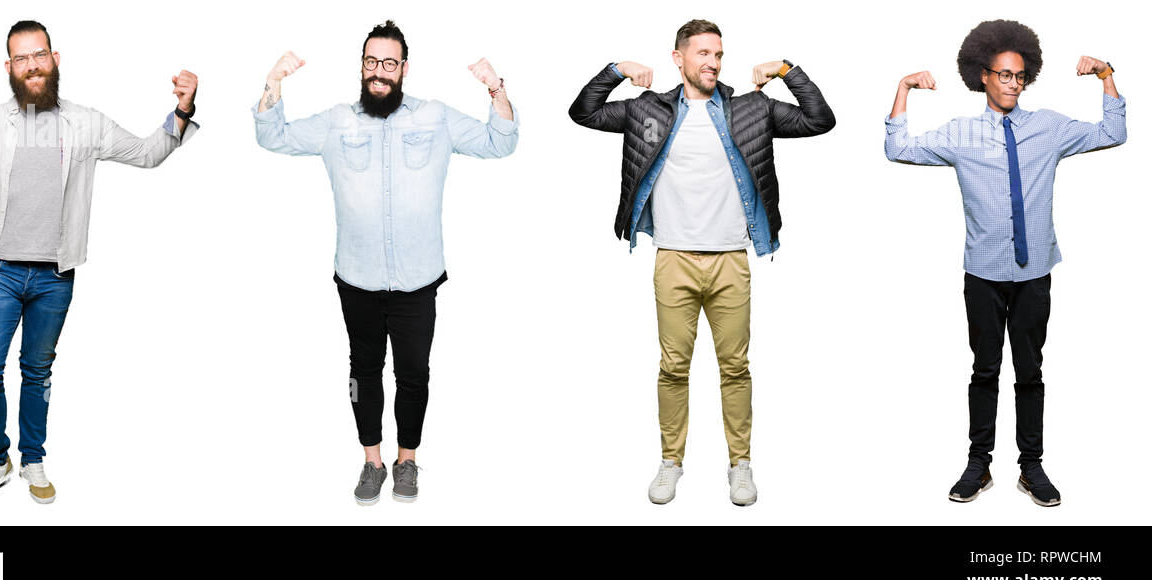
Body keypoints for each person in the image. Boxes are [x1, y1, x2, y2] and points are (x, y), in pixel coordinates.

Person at [0, 20, 200, 506]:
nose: (33, 65)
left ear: (55, 59)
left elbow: (146, 153)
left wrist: (182, 108)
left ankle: (32, 457)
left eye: (40, 55)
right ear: (8, 67)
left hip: (55, 276)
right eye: (22, 58)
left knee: (37, 370)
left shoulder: (87, 123)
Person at [251, 20, 518, 505]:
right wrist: (273, 83)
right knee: (363, 371)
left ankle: (407, 460)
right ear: (362, 67)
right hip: (357, 279)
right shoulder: (337, 121)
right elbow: (273, 137)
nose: (379, 72)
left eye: (389, 63)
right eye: (372, 62)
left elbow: (501, 141)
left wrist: (496, 88)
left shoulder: (434, 117)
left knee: (415, 373)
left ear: (404, 69)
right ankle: (372, 461)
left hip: (419, 279)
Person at [569, 19, 834, 506]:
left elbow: (819, 119)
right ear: (679, 58)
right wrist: (615, 70)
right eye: (704, 54)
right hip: (672, 259)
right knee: (673, 367)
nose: (713, 62)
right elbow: (582, 113)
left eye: (719, 54)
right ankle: (671, 462)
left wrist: (785, 70)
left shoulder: (750, 109)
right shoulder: (646, 110)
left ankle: (740, 465)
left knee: (735, 366)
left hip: (730, 260)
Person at [883, 19, 1125, 507]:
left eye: (1020, 76)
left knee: (1030, 371)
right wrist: (903, 87)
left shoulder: (1048, 128)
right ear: (983, 76)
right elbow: (897, 147)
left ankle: (1031, 468)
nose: (1013, 83)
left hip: (1035, 274)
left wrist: (1106, 73)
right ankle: (979, 465)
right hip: (984, 276)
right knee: (985, 371)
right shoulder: (960, 134)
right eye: (1004, 75)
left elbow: (1113, 131)